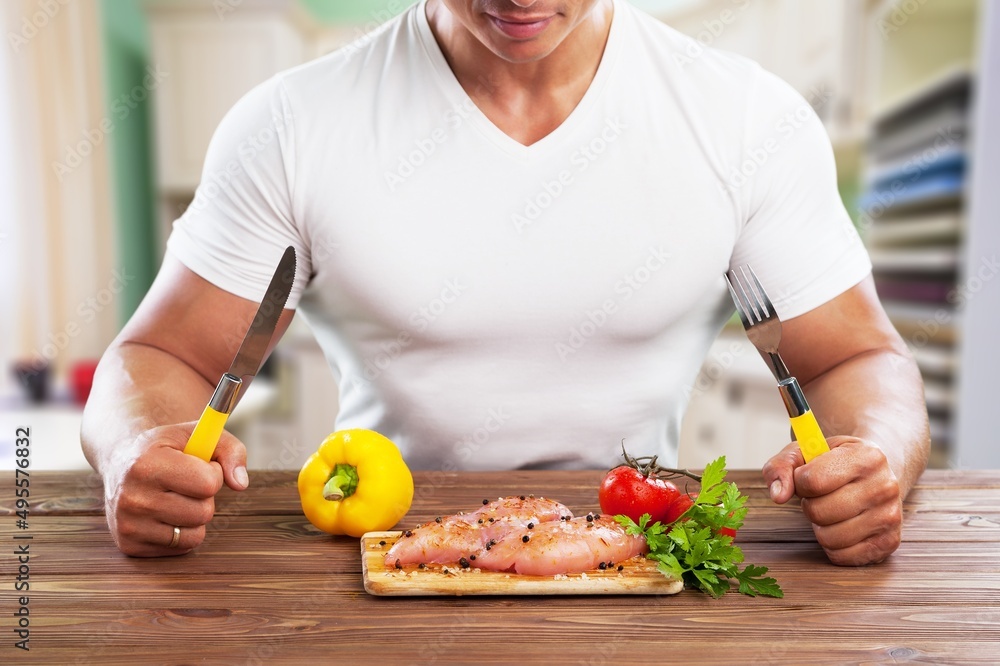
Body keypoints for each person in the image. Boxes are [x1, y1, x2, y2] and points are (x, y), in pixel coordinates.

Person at [82, 0, 929, 564]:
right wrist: (134, 447)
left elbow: (859, 361)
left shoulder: (749, 120)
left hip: (636, 564)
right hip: (376, 569)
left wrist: (876, 454)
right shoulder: (289, 125)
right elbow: (157, 354)